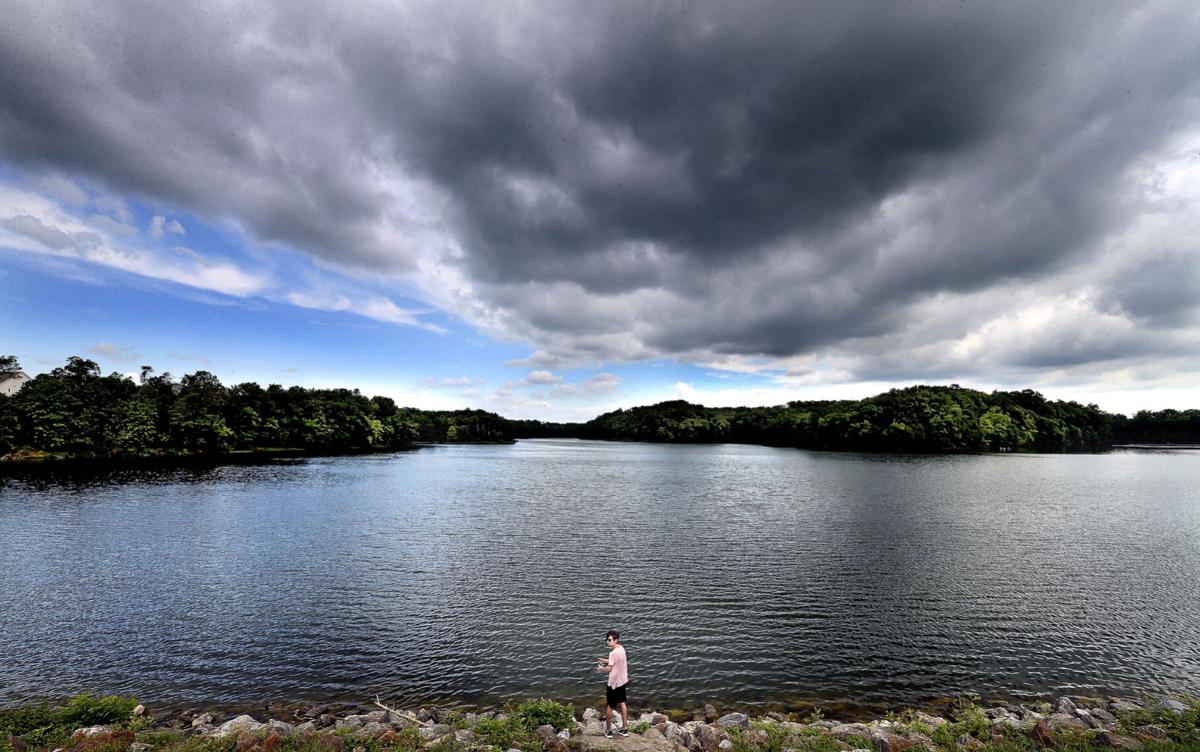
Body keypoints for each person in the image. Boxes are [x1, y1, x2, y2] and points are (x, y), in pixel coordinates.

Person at [595, 629, 629, 738]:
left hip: (614, 683)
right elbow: (615, 661)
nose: (607, 642)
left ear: (615, 640)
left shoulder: (613, 653)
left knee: (609, 706)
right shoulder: (621, 649)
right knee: (622, 704)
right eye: (607, 640)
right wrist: (605, 660)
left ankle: (609, 731)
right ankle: (625, 729)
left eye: (610, 640)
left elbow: (609, 668)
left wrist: (601, 668)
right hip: (622, 681)